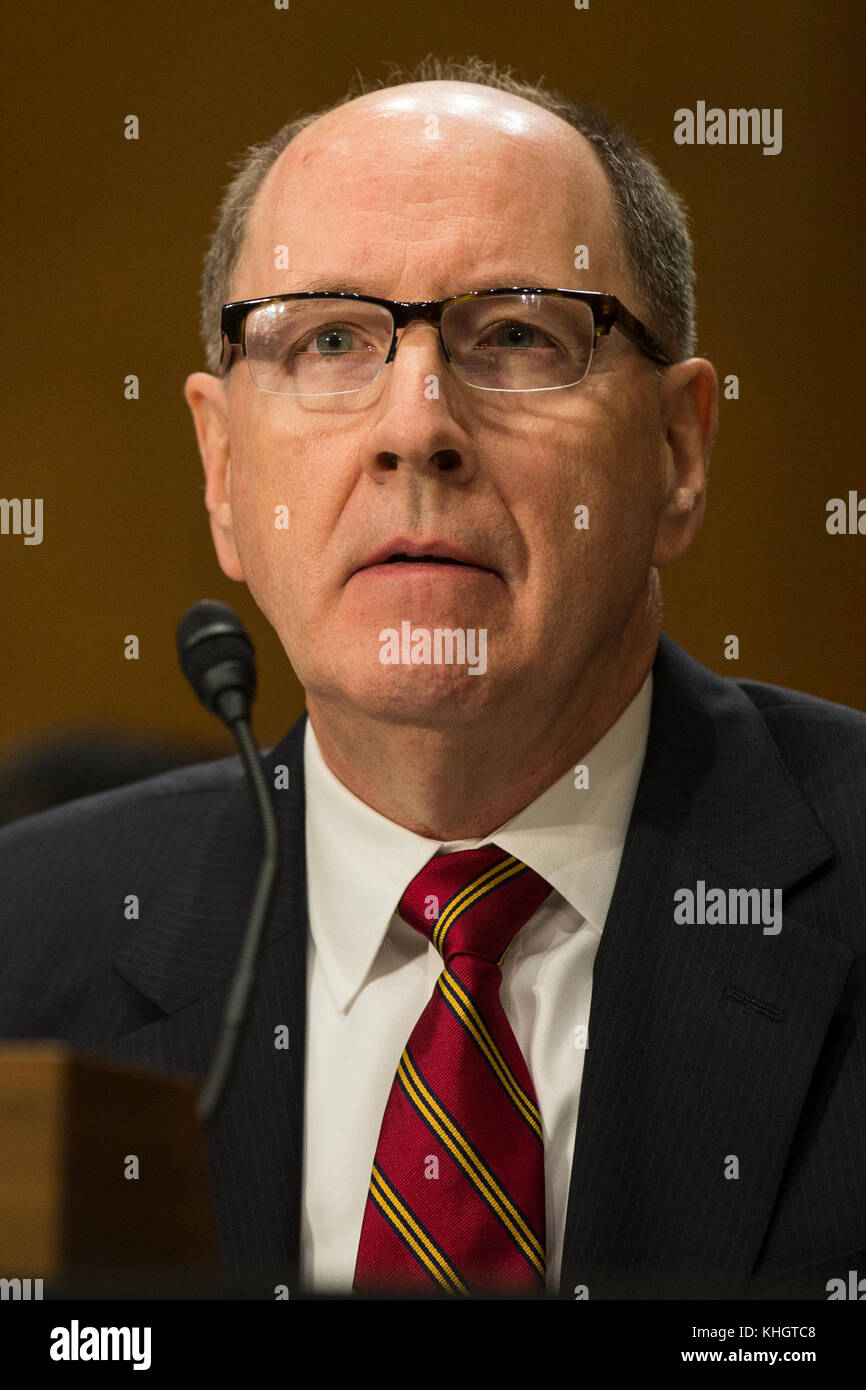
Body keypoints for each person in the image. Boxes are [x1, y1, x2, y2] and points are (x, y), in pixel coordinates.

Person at [1, 56, 864, 1301]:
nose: (416, 425)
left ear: (678, 452)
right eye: (330, 339)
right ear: (221, 468)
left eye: (514, 333)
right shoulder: (25, 952)